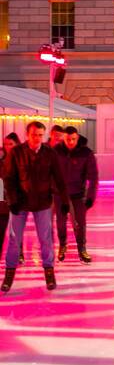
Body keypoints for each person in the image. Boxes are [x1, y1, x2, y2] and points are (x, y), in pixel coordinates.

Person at [1, 120, 70, 292]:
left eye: (40, 135)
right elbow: (9, 179)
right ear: (27, 135)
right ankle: (9, 274)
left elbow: (59, 178)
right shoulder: (16, 152)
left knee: (45, 239)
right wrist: (13, 200)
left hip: (43, 203)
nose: (37, 138)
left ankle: (49, 272)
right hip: (20, 203)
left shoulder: (49, 153)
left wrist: (65, 200)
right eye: (34, 135)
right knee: (14, 240)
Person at [54, 126, 98, 263]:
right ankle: (62, 245)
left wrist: (91, 196)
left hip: (78, 194)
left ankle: (82, 249)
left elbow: (94, 176)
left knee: (80, 223)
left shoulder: (86, 153)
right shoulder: (56, 151)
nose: (71, 142)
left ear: (77, 137)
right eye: (68, 139)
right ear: (63, 138)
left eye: (73, 139)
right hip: (60, 194)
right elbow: (50, 171)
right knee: (61, 223)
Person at [0, 132, 20, 266]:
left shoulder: (22, 160)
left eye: (11, 144)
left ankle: (19, 253)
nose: (8, 147)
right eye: (6, 144)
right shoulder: (2, 161)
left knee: (16, 231)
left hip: (18, 202)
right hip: (3, 203)